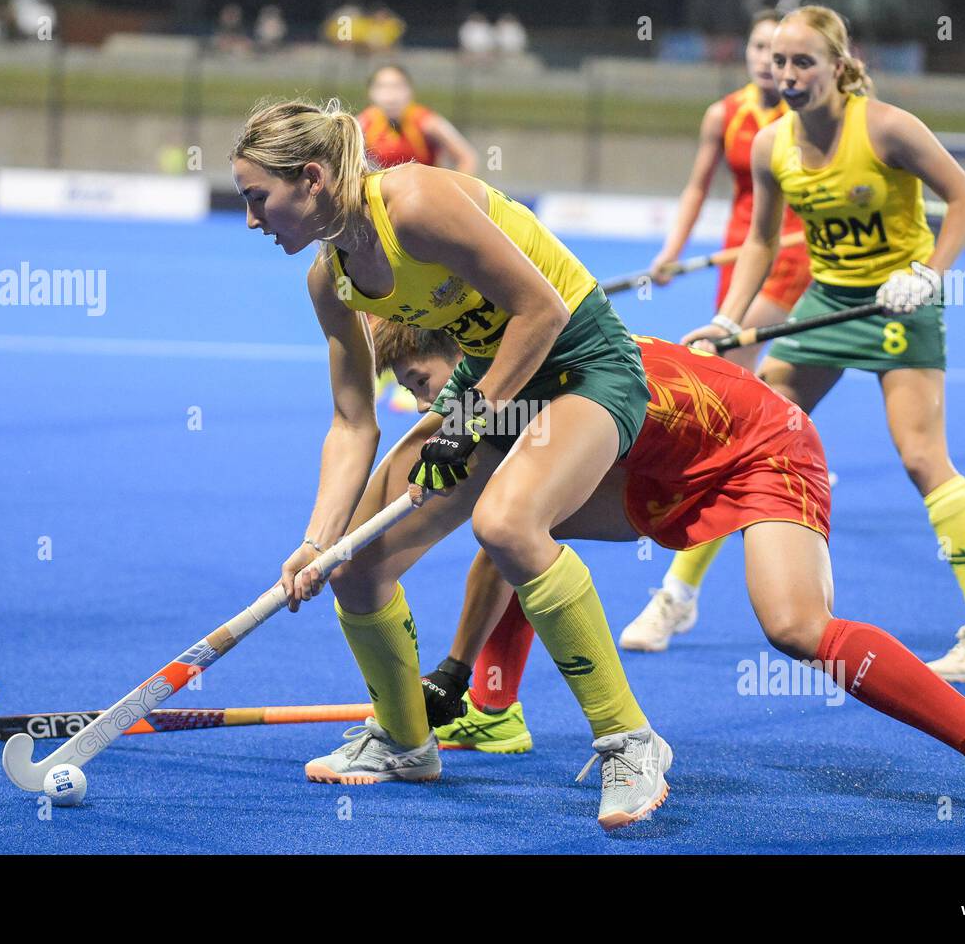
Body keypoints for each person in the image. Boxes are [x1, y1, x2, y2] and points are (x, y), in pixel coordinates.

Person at [374, 323, 965, 826]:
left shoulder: (535, 387)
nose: (416, 398)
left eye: (415, 381)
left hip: (765, 447)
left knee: (794, 627)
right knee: (516, 527)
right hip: (672, 463)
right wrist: (451, 674)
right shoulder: (508, 375)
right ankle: (492, 709)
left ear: (461, 355)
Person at [229, 99, 671, 830]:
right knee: (357, 566)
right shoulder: (329, 280)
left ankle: (630, 740)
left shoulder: (418, 204)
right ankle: (405, 742)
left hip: (584, 367)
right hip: (491, 385)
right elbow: (351, 421)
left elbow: (543, 312)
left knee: (508, 523)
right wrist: (317, 539)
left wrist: (467, 422)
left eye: (257, 199)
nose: (251, 221)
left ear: (310, 178)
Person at [680, 5, 965, 685]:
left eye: (803, 62)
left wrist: (927, 274)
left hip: (898, 307)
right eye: (779, 62)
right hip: (827, 303)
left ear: (839, 67)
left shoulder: (888, 128)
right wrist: (729, 319)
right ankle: (677, 595)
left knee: (921, 456)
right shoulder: (770, 145)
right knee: (754, 431)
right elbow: (758, 241)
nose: (787, 74)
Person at [622, 8, 812, 653]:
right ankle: (685, 589)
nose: (768, 60)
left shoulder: (808, 115)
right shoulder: (724, 115)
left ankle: (676, 593)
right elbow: (698, 187)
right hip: (742, 263)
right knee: (752, 422)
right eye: (760, 47)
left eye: (780, 50)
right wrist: (672, 250)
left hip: (800, 263)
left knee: (731, 422)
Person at [359, 64, 479, 413]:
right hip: (379, 225)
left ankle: (417, 369)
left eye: (397, 86)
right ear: (372, 94)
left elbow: (466, 156)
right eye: (383, 87)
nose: (391, 94)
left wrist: (452, 194)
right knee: (374, 296)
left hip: (418, 226)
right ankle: (383, 367)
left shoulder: (426, 122)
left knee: (419, 296)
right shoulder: (362, 125)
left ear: (409, 92)